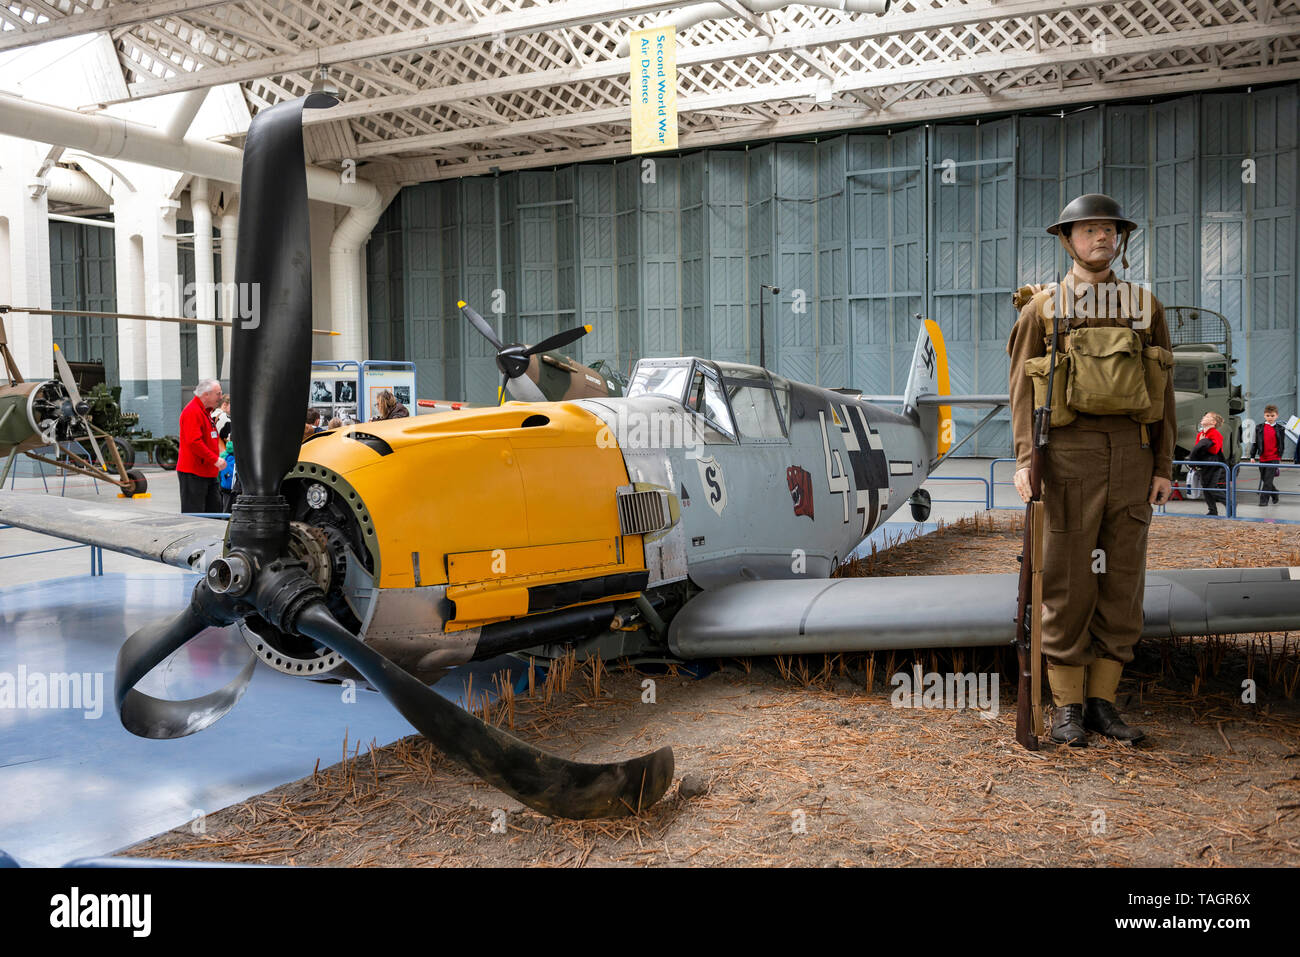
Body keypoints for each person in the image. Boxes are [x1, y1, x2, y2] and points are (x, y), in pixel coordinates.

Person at [1008, 193, 1175, 748]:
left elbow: (1166, 393)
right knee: (1066, 581)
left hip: (1132, 456)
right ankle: (1067, 706)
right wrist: (1026, 459)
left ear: (1119, 239)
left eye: (1109, 230)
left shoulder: (1145, 307)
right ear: (1068, 239)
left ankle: (1104, 702)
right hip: (1070, 458)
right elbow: (1022, 393)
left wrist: (1164, 465)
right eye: (1089, 230)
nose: (1101, 238)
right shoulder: (1044, 309)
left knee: (1123, 583)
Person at [178, 378, 226, 513]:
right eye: (218, 394)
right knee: (195, 514)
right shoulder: (192, 412)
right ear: (206, 395)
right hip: (194, 473)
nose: (221, 398)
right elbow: (194, 442)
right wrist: (215, 459)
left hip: (208, 472)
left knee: (215, 511)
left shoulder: (206, 412)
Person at [1188, 412, 1227, 515]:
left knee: (1211, 487)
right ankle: (1212, 510)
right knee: (1206, 487)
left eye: (1207, 417)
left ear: (1213, 422)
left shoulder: (1215, 434)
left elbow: (1214, 450)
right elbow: (1197, 449)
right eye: (1204, 416)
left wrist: (1204, 442)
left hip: (1214, 464)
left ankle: (1230, 503)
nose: (1204, 417)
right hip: (1204, 464)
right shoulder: (1200, 434)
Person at [1249, 404, 1286, 506]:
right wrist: (1252, 456)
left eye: (1272, 416)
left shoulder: (1280, 429)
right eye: (1268, 415)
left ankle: (1263, 501)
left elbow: (1282, 444)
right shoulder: (1259, 428)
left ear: (1277, 416)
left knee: (1268, 479)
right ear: (1264, 416)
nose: (1270, 418)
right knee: (1265, 479)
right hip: (1263, 457)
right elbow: (1255, 443)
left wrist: (1280, 456)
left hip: (1274, 457)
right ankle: (1274, 493)